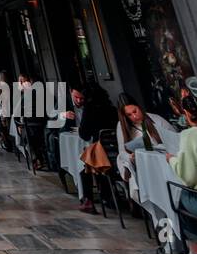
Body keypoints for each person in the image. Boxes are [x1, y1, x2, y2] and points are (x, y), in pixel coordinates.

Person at [63, 80, 118, 213]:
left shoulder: (90, 109)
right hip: (115, 154)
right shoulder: (111, 108)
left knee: (84, 163)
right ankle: (108, 195)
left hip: (100, 156)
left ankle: (87, 199)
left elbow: (84, 134)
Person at [166, 97, 197, 254]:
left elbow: (189, 176)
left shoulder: (190, 135)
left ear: (186, 114)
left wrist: (172, 160)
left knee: (184, 197)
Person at [116, 97, 166, 200]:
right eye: (129, 115)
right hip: (143, 166)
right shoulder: (123, 127)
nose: (134, 116)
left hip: (162, 161)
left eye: (135, 111)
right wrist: (130, 157)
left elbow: (172, 138)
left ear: (139, 107)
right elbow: (122, 152)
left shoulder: (155, 119)